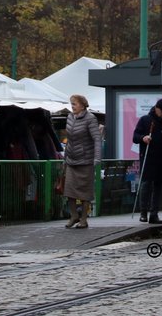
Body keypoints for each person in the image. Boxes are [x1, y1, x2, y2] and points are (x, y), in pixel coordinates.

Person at [132, 97, 162, 224]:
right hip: (148, 157)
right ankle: (143, 213)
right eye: (161, 111)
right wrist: (143, 137)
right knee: (146, 184)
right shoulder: (145, 120)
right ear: (156, 108)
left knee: (159, 186)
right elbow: (135, 137)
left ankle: (154, 214)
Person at [62, 94, 102, 229]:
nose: (72, 106)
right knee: (69, 190)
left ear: (83, 105)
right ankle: (74, 216)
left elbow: (97, 139)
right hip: (71, 160)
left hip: (85, 160)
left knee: (85, 192)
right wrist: (65, 158)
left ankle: (83, 219)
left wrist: (97, 158)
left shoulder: (90, 119)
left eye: (74, 104)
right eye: (71, 104)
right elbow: (69, 140)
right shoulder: (70, 117)